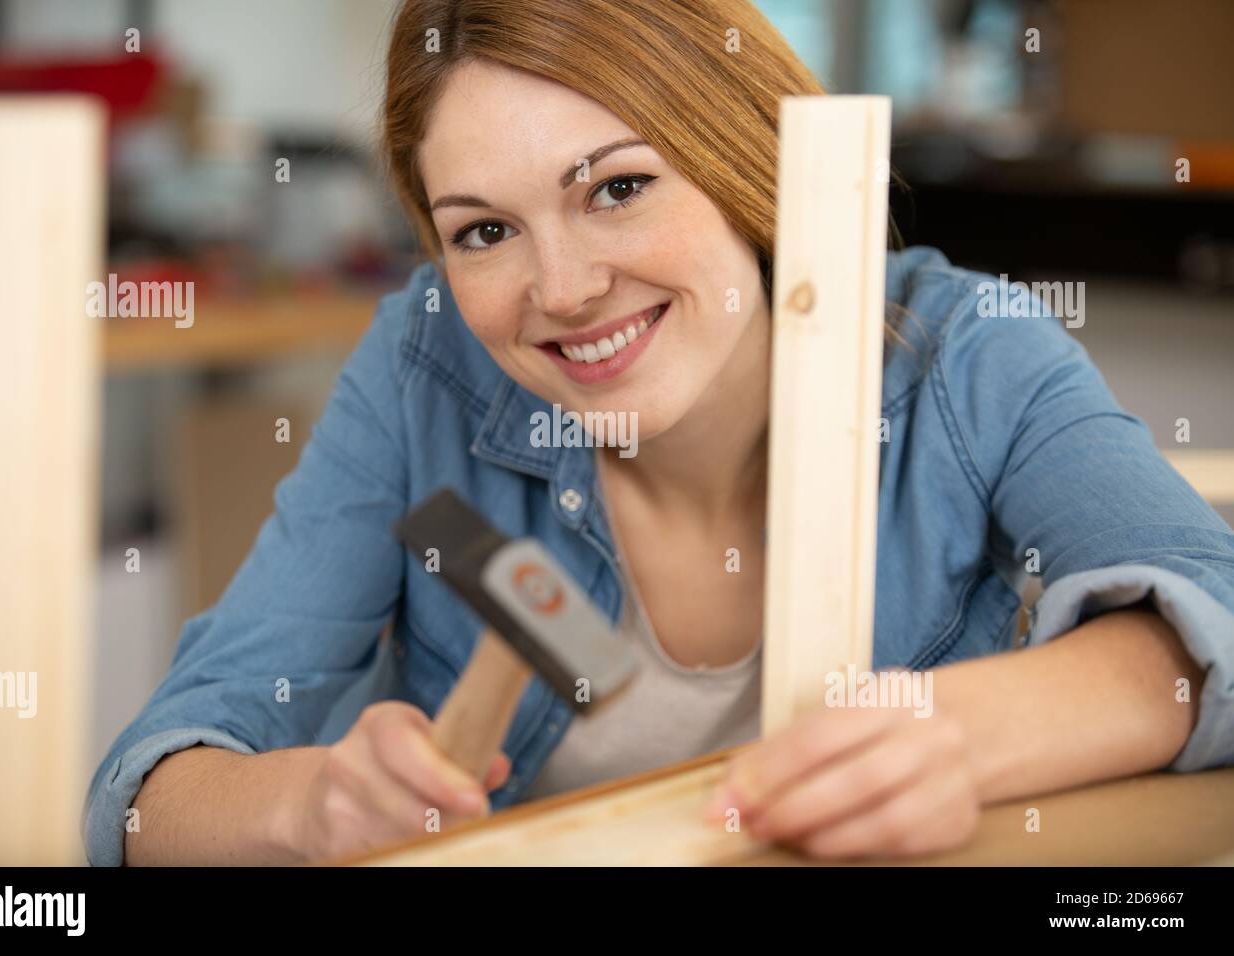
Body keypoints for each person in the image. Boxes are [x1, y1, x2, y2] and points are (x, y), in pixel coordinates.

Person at [84, 0, 1234, 866]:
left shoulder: (968, 351)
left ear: (747, 164)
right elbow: (146, 788)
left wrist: (958, 733)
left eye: (617, 188)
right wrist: (306, 802)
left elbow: (1215, 618)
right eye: (483, 230)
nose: (565, 287)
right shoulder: (421, 364)